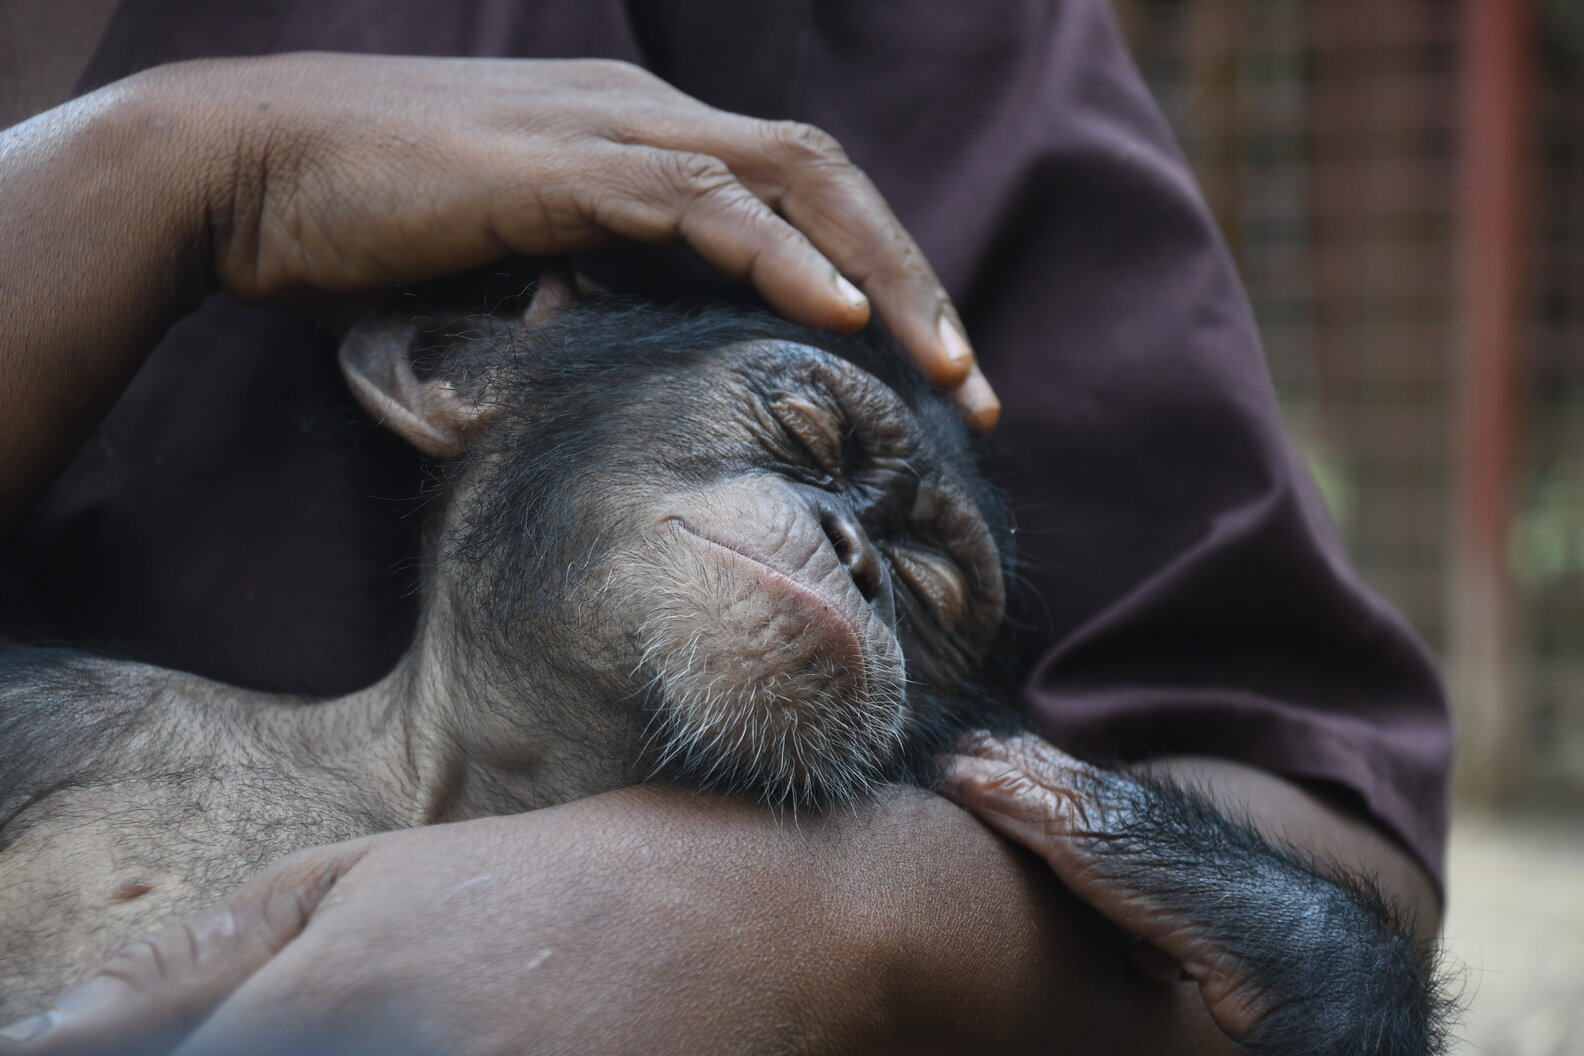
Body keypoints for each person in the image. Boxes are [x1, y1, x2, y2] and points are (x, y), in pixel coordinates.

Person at [0, 1, 1452, 1052]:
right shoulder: (84, 738)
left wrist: (882, 924)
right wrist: (175, 171)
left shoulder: (859, 918)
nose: (858, 554)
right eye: (806, 438)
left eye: (931, 586)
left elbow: (1314, 939)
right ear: (456, 368)